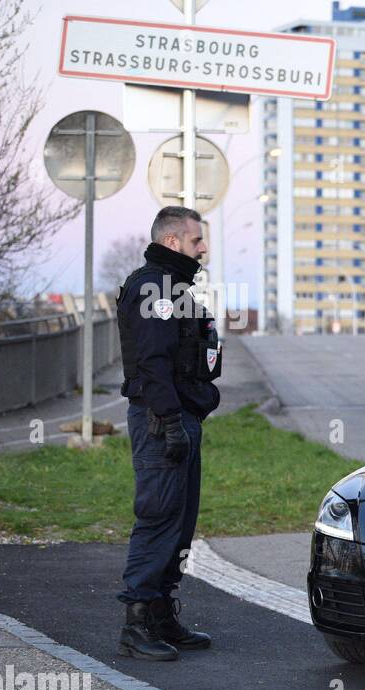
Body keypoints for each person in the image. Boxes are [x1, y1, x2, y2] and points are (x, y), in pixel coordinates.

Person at [115, 206, 223, 661]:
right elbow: (152, 363)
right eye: (197, 241)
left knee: (180, 524)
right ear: (174, 241)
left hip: (180, 417)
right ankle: (136, 623)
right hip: (163, 420)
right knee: (159, 517)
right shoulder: (152, 287)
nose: (204, 248)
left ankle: (161, 616)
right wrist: (171, 421)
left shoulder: (175, 287)